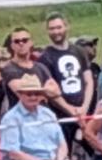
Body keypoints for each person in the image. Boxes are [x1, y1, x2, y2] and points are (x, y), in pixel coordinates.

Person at [38, 13, 94, 147]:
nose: (56, 32)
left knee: (92, 148)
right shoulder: (45, 57)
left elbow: (89, 81)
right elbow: (50, 91)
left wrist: (84, 108)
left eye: (59, 27)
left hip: (84, 111)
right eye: (52, 28)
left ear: (66, 27)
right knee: (63, 150)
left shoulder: (79, 51)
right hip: (61, 116)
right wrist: (71, 110)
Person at [1, 27, 65, 111]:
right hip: (21, 117)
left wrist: (36, 91)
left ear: (31, 43)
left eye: (25, 40)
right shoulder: (9, 69)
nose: (21, 43)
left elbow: (56, 91)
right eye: (17, 41)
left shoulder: (40, 67)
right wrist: (46, 91)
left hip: (44, 114)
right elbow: (25, 95)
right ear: (12, 46)